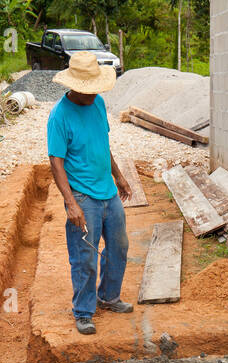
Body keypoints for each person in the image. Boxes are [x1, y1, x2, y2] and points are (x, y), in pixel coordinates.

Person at [47, 49, 134, 336]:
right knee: (84, 256)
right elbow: (56, 163)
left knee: (119, 246)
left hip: (108, 192)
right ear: (74, 86)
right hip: (83, 196)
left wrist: (119, 176)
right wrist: (70, 203)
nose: (94, 93)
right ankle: (83, 311)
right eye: (89, 89)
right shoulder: (59, 117)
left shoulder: (97, 105)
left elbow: (103, 144)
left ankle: (109, 297)